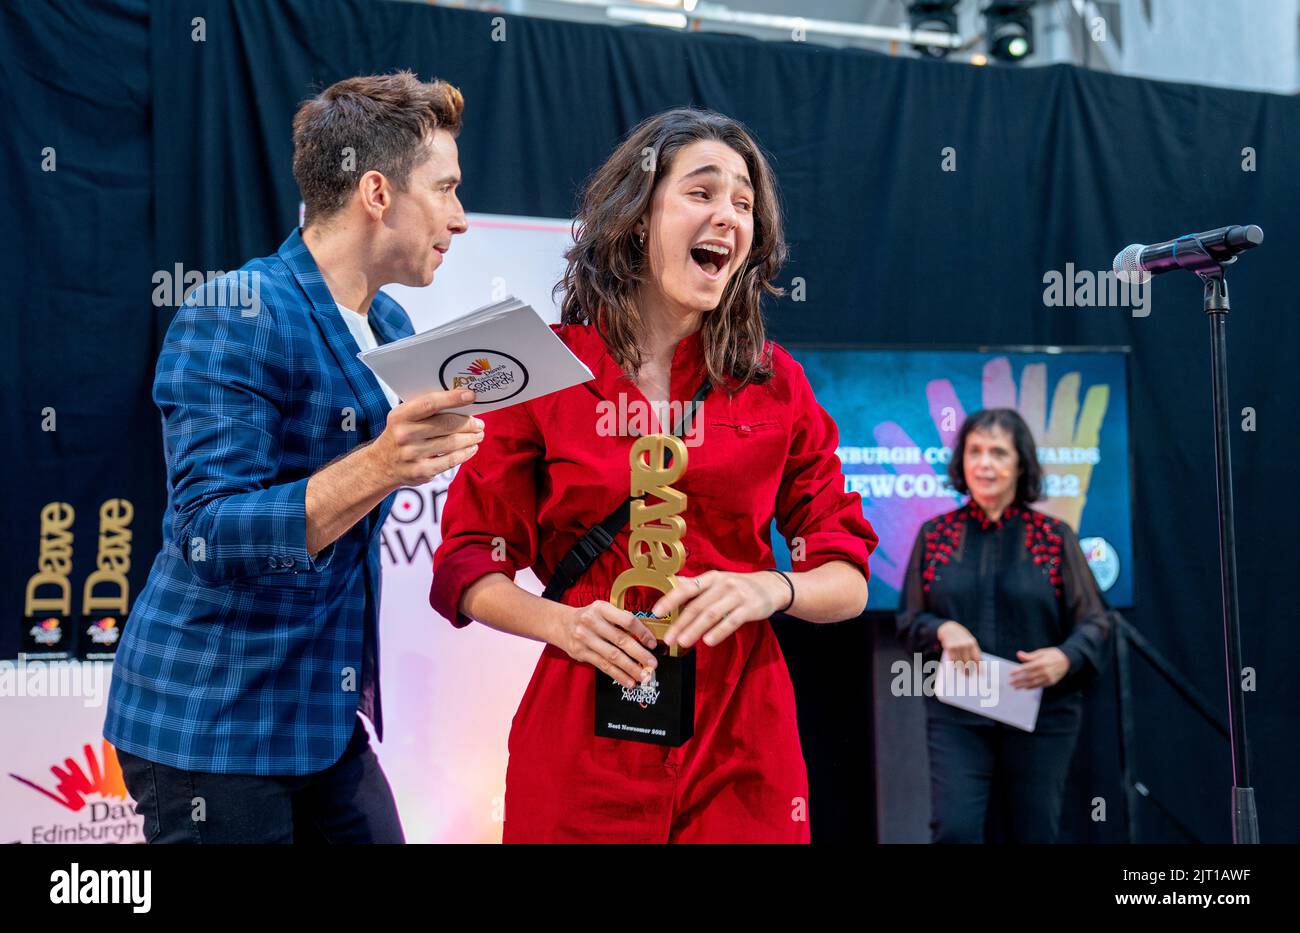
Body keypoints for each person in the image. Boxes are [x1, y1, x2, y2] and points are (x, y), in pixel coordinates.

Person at [430, 108, 878, 843]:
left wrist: (772, 586)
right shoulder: (541, 369)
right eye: (703, 192)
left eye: (744, 203)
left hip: (743, 741)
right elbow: (466, 562)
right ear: (638, 219)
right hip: (581, 736)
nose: (728, 216)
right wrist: (564, 623)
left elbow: (849, 575)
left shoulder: (776, 384)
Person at [104, 71, 481, 843]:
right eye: (444, 190)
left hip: (321, 715)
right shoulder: (232, 311)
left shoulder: (393, 319)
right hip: (210, 724)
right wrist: (382, 463)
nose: (461, 218)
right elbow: (210, 530)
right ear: (377, 192)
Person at [897, 408, 1111, 843]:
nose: (985, 463)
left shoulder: (1054, 537)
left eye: (998, 452)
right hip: (958, 713)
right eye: (975, 451)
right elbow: (909, 621)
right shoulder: (935, 536)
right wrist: (942, 629)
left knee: (1034, 833)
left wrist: (1064, 658)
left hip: (1043, 713)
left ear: (1020, 464)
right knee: (953, 830)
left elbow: (1096, 621)